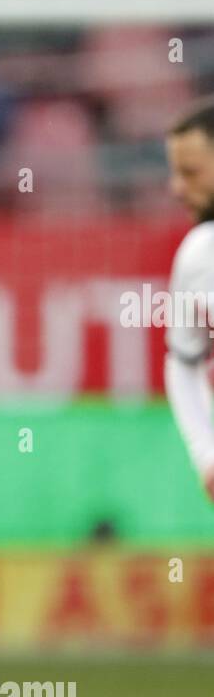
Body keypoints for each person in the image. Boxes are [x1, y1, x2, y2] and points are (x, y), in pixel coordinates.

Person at [164, 99, 214, 497]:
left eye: (191, 173)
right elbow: (183, 362)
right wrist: (206, 456)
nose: (177, 188)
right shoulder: (198, 253)